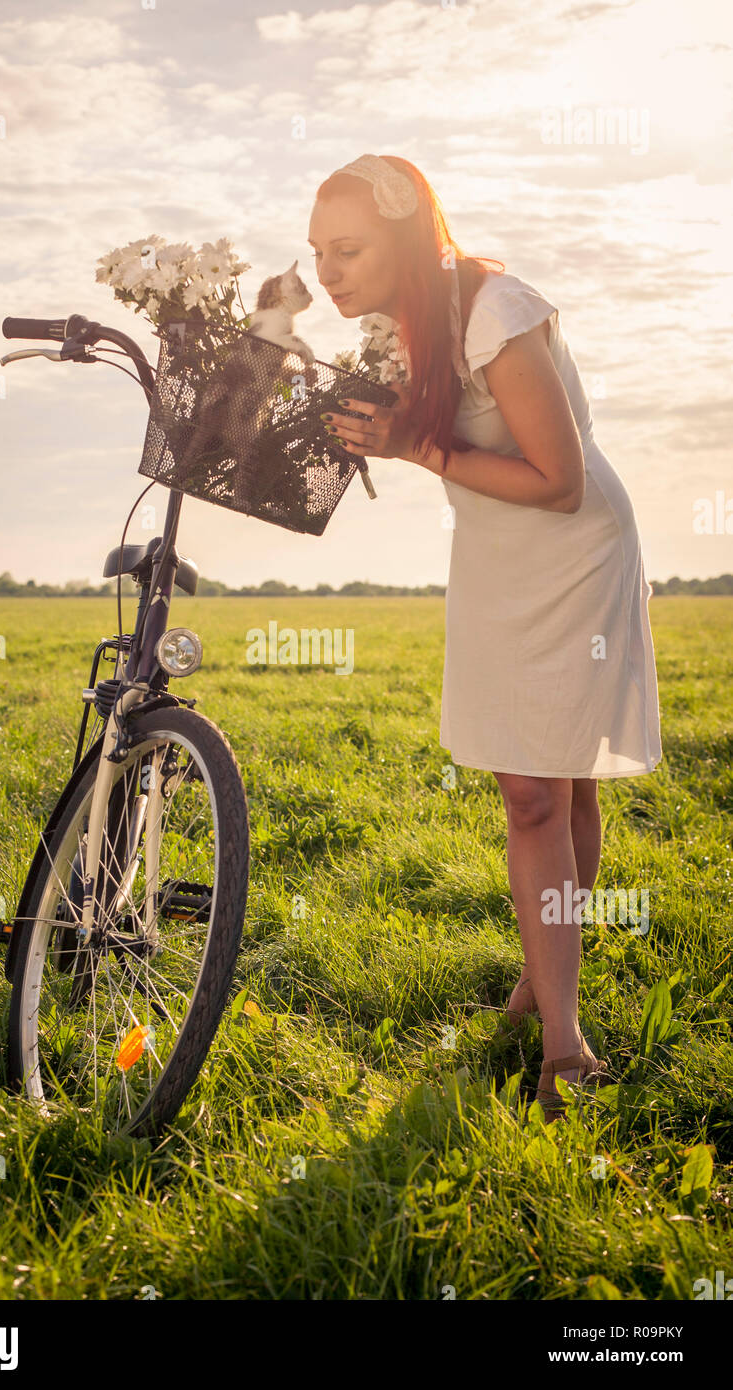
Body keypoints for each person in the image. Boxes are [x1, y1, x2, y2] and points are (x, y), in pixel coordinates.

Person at [308, 153, 663, 1121]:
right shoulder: (394, 335)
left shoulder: (493, 312)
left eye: (348, 249)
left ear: (407, 238)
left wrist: (411, 447)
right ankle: (541, 986)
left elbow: (558, 479)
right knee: (546, 784)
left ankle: (565, 1044)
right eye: (316, 253)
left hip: (571, 551)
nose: (327, 271)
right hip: (495, 558)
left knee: (540, 791)